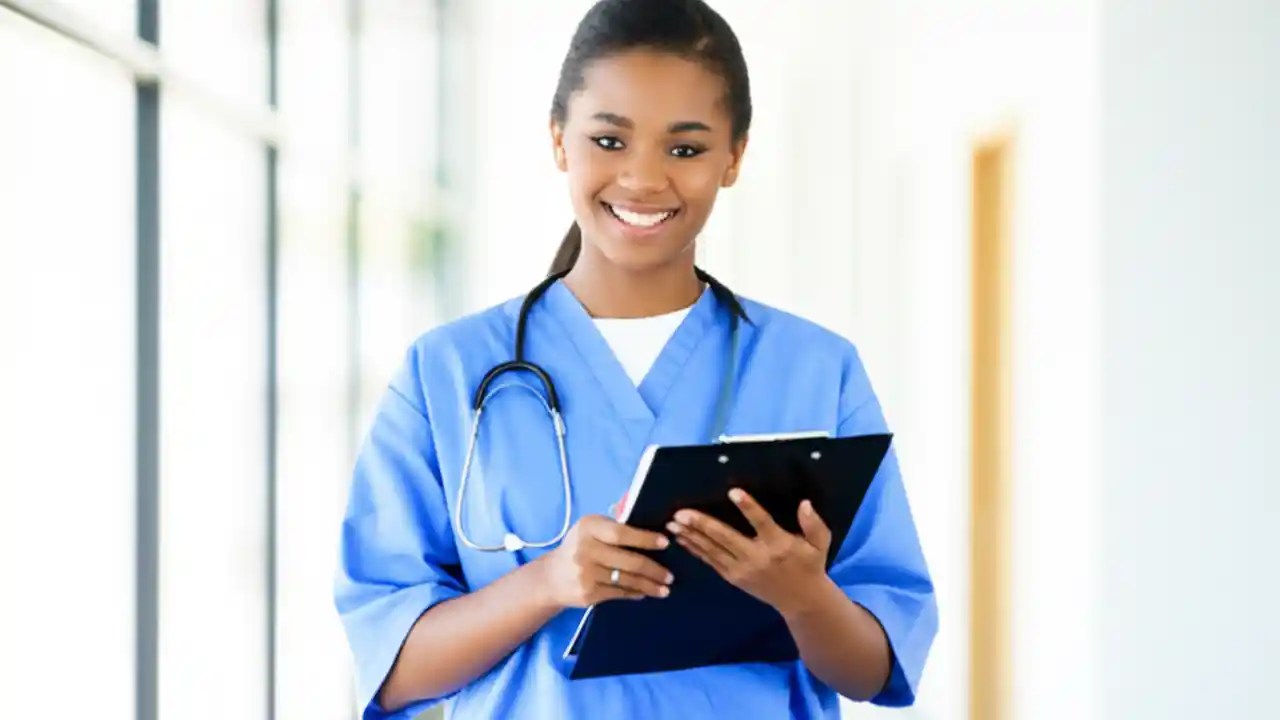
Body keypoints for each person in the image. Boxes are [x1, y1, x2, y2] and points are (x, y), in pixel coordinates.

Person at [333, 1, 937, 718]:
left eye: (685, 149)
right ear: (560, 140)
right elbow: (392, 669)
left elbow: (876, 670)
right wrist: (548, 583)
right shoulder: (448, 372)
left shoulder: (816, 369)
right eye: (609, 141)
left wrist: (804, 597)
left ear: (734, 157)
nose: (644, 180)